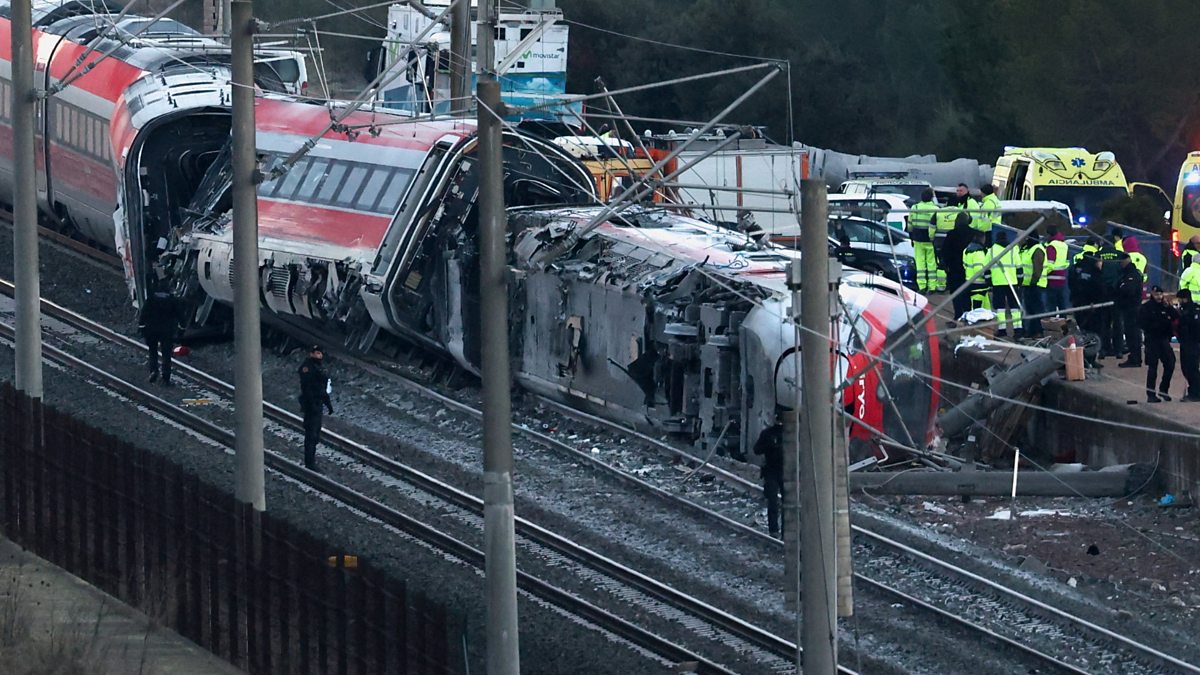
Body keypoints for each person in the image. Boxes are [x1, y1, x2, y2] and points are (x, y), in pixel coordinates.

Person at [137, 278, 184, 386]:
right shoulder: (172, 300)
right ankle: (166, 377)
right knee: (166, 354)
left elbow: (143, 315)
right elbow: (182, 318)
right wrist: (180, 332)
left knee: (152, 351)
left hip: (151, 330)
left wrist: (142, 329)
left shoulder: (151, 299)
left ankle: (153, 371)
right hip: (167, 331)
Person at [299, 345, 335, 470]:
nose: (319, 356)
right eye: (317, 353)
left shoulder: (319, 368)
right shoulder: (307, 368)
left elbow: (322, 389)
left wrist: (328, 404)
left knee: (315, 435)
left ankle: (311, 461)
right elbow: (307, 388)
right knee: (311, 435)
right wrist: (312, 404)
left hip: (317, 404)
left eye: (320, 353)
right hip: (310, 405)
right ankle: (309, 463)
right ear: (311, 354)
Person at [1139, 286, 1177, 402]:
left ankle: (1163, 389)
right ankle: (1151, 394)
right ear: (1152, 294)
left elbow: (1176, 316)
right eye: (1157, 295)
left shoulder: (1164, 306)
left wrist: (1169, 307)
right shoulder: (1146, 307)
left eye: (1160, 294)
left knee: (1170, 363)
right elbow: (1141, 323)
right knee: (1153, 367)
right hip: (1152, 340)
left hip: (1164, 339)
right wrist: (1155, 326)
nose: (1159, 297)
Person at [989, 230, 1023, 337]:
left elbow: (986, 269)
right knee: (1015, 308)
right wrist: (1019, 281)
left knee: (1000, 308)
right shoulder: (1013, 249)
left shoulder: (992, 251)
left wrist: (989, 282)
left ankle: (1002, 330)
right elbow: (1019, 267)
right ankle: (1018, 331)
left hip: (998, 283)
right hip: (1012, 282)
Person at [753, 424, 784, 538]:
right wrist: (769, 445)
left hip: (785, 471)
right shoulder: (768, 433)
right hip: (772, 470)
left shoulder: (790, 433)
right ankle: (774, 530)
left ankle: (785, 531)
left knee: (785, 502)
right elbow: (757, 449)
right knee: (773, 501)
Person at [1114, 253, 1144, 367]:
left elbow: (1128, 290)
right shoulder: (1126, 273)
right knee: (1131, 333)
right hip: (1129, 308)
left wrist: (1120, 289)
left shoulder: (1132, 274)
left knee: (1133, 334)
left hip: (1132, 308)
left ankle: (1135, 358)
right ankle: (1134, 357)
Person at [907, 188, 939, 293]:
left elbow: (910, 224)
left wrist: (911, 236)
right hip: (930, 240)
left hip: (917, 239)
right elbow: (935, 226)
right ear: (931, 197)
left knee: (920, 263)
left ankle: (922, 286)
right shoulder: (936, 209)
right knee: (931, 263)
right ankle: (932, 287)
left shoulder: (915, 207)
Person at [943, 211, 974, 318]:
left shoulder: (951, 234)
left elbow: (945, 251)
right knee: (968, 292)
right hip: (970, 268)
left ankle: (958, 315)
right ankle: (968, 314)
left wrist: (945, 265)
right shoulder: (974, 233)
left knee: (956, 293)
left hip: (954, 268)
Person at [1096, 239, 1124, 357]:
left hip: (1103, 292)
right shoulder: (1119, 254)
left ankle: (1104, 349)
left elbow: (1098, 268)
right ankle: (1119, 350)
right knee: (1117, 322)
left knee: (1104, 322)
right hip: (1117, 292)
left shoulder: (1099, 255)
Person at [1019, 233, 1047, 338]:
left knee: (1037, 310)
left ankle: (1038, 331)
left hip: (1036, 285)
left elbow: (1037, 269)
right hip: (1027, 284)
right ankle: (1030, 331)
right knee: (1029, 310)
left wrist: (1033, 282)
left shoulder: (1037, 249)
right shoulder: (1027, 249)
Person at [961, 230, 992, 312]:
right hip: (979, 285)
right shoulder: (979, 252)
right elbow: (979, 270)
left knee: (984, 309)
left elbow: (964, 265)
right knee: (977, 311)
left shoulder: (966, 250)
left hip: (969, 281)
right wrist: (988, 277)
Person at [1177, 290, 1200, 401]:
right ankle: (1194, 391)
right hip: (1185, 342)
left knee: (1191, 368)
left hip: (1192, 342)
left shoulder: (1193, 310)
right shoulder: (1183, 310)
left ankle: (1195, 393)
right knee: (1186, 368)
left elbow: (1194, 326)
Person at [1044, 226, 1070, 314]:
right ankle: (1063, 323)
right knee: (1061, 304)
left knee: (1051, 305)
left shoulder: (1051, 246)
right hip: (1062, 278)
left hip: (1052, 278)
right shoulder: (1064, 245)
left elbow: (1050, 264)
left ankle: (1053, 325)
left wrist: (1043, 274)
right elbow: (1067, 262)